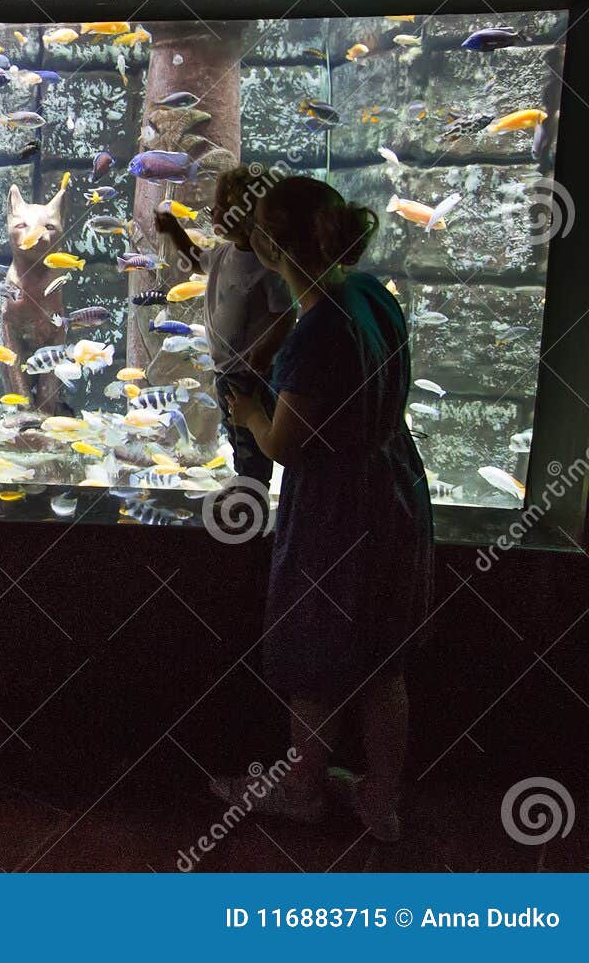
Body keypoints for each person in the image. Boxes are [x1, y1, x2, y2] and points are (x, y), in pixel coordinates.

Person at [217, 175, 433, 843]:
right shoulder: (368, 293)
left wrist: (250, 410)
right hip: (394, 488)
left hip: (335, 508)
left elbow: (285, 442)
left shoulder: (315, 340)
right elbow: (322, 316)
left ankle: (304, 787)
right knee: (382, 656)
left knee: (314, 649)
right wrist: (281, 329)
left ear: (265, 245)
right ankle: (382, 797)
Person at [155, 166, 294, 484]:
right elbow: (193, 259)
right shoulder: (223, 253)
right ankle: (248, 489)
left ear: (245, 214)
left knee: (251, 443)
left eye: (221, 206)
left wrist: (262, 355)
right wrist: (173, 229)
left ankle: (252, 496)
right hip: (227, 369)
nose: (213, 211)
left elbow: (286, 314)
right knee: (236, 435)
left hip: (252, 373)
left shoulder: (267, 266)